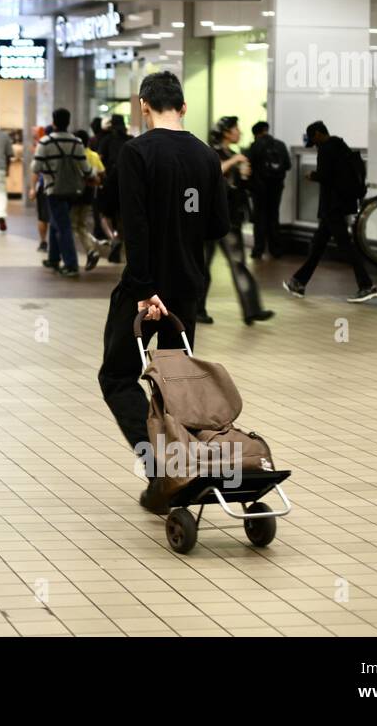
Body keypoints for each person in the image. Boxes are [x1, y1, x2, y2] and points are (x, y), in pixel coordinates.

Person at [96, 71, 230, 513]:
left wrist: (146, 288)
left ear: (143, 106)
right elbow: (217, 226)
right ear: (185, 107)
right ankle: (180, 472)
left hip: (142, 288)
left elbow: (134, 222)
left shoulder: (137, 152)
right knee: (176, 386)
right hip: (187, 289)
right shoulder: (207, 157)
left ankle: (159, 467)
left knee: (117, 375)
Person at [283, 121, 377, 303]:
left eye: (314, 140)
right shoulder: (342, 146)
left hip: (332, 206)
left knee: (346, 246)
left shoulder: (326, 149)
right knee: (318, 245)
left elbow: (326, 176)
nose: (315, 144)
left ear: (318, 134)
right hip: (340, 203)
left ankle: (366, 285)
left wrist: (312, 175)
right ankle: (298, 282)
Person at [197, 117, 274, 325]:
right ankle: (197, 310)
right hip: (208, 220)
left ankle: (252, 310)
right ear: (225, 132)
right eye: (235, 128)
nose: (239, 131)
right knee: (202, 266)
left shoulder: (234, 154)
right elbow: (213, 171)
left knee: (239, 263)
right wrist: (234, 162)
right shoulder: (210, 152)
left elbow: (239, 185)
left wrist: (244, 174)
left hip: (230, 217)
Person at [33, 109, 92, 278]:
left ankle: (71, 264)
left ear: (54, 122)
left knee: (63, 226)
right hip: (73, 190)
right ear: (68, 122)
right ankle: (53, 258)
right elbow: (86, 169)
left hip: (54, 189)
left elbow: (35, 168)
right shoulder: (77, 142)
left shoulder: (45, 142)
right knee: (56, 221)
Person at [246, 120, 291, 259]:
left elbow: (248, 166)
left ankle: (258, 250)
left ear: (256, 134)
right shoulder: (280, 145)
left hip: (259, 189)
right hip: (277, 187)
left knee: (260, 218)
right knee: (273, 216)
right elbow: (288, 165)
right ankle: (276, 250)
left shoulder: (255, 146)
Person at [96, 113, 130, 262]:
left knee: (104, 214)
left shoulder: (106, 140)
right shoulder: (131, 141)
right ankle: (121, 241)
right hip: (128, 183)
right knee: (122, 215)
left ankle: (112, 237)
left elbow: (99, 161)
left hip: (110, 181)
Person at [73, 129, 105, 270]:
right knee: (81, 224)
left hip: (74, 194)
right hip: (89, 194)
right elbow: (102, 173)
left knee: (71, 225)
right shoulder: (93, 155)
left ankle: (72, 257)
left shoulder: (75, 155)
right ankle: (91, 250)